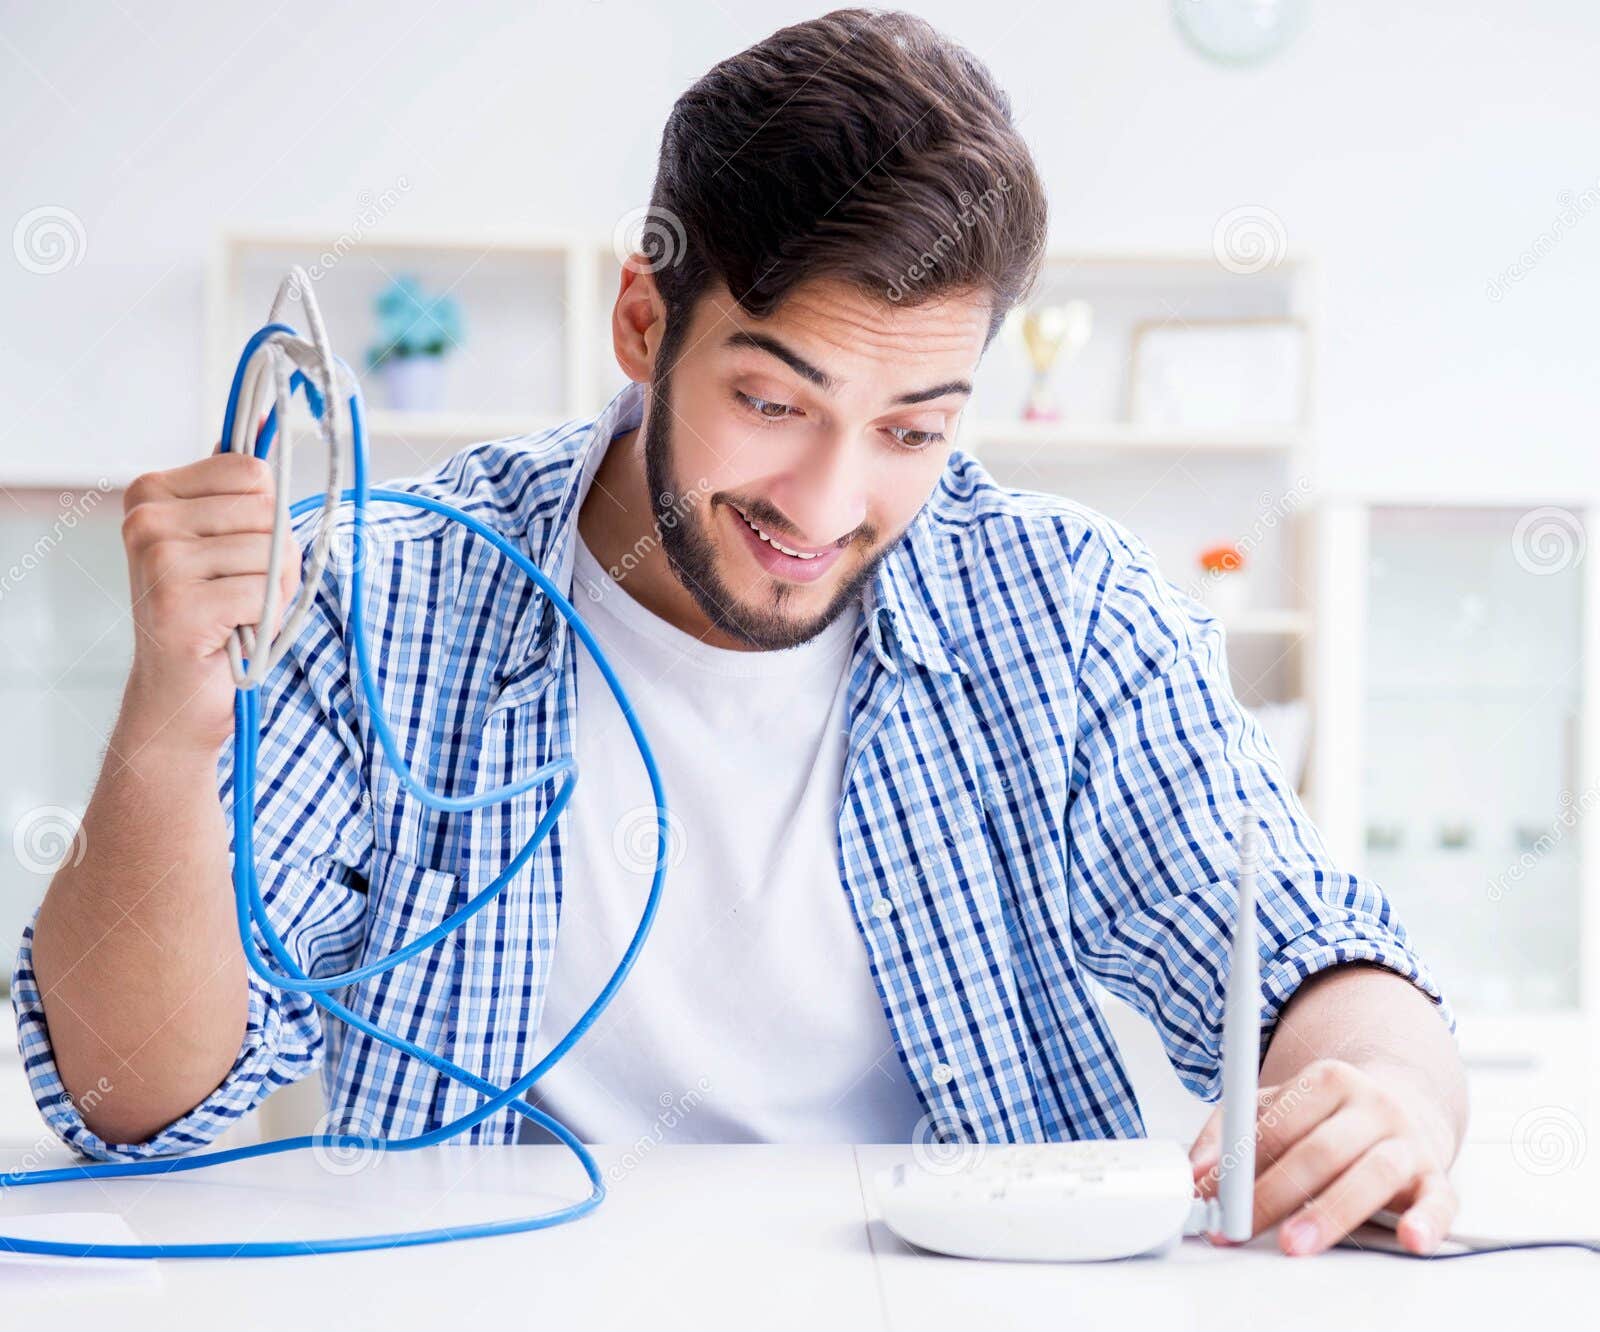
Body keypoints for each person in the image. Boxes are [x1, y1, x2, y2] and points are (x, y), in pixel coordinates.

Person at [17, 9, 1465, 1256]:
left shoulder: (1070, 612)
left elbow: (1308, 958)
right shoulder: (383, 600)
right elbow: (133, 1104)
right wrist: (169, 721)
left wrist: (1384, 1089)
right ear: (644, 322)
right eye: (773, 404)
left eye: (911, 429)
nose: (826, 505)